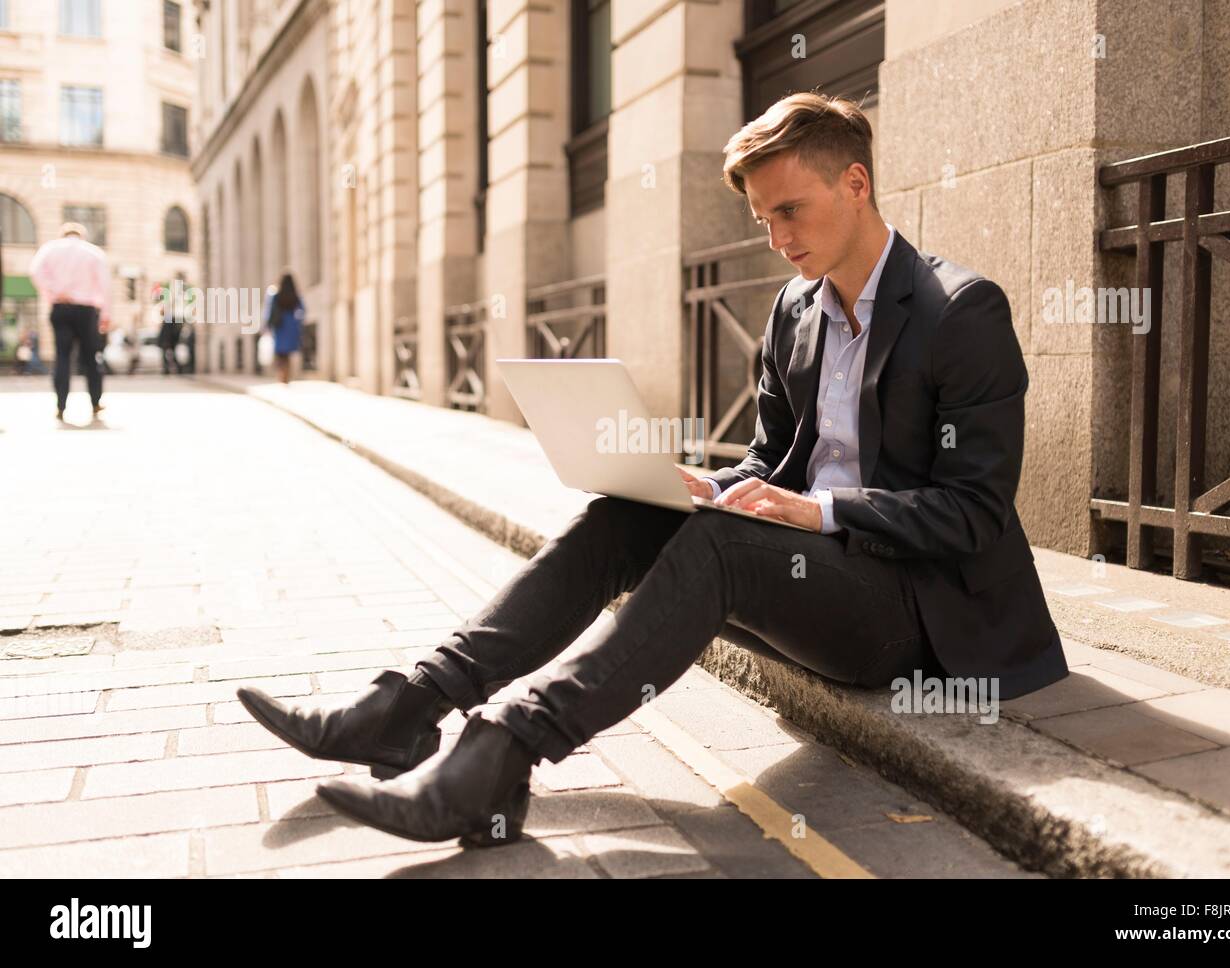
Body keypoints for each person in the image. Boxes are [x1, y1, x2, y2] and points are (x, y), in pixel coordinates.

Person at [236, 91, 1069, 847]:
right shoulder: (795, 311)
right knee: (627, 518)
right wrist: (710, 487)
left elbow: (973, 510)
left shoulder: (961, 312)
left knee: (720, 549)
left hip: (917, 613)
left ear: (856, 184)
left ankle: (506, 751)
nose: (778, 240)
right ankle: (408, 707)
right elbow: (770, 458)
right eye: (762, 220)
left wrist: (816, 513)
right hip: (810, 575)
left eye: (791, 211)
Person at [28, 222, 112, 421]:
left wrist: (54, 291)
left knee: (62, 356)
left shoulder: (50, 249)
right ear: (81, 236)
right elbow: (105, 285)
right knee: (91, 358)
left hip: (61, 307)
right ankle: (95, 402)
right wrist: (106, 315)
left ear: (63, 235)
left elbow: (35, 272)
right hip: (86, 309)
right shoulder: (93, 253)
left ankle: (61, 405)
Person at [262, 272, 304, 384]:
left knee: (281, 354)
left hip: (280, 326)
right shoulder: (295, 295)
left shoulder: (276, 295)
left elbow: (269, 311)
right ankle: (287, 376)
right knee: (288, 353)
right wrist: (297, 322)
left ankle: (282, 376)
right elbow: (302, 310)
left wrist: (267, 325)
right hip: (291, 326)